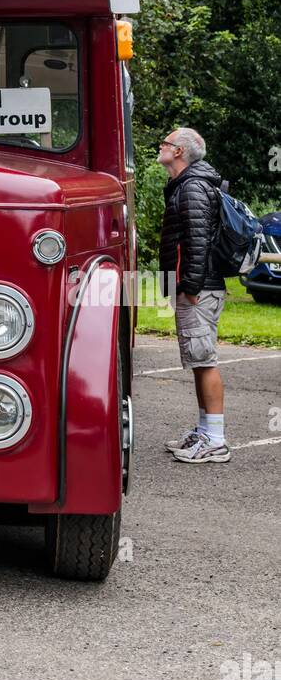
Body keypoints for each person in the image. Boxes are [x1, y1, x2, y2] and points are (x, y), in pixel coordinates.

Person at [158, 127, 230, 464]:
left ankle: (216, 440)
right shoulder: (186, 185)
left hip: (199, 290)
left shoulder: (193, 188)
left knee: (204, 360)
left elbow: (197, 243)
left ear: (180, 152)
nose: (162, 145)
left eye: (167, 142)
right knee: (198, 361)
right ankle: (204, 433)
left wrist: (191, 288)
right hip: (197, 288)